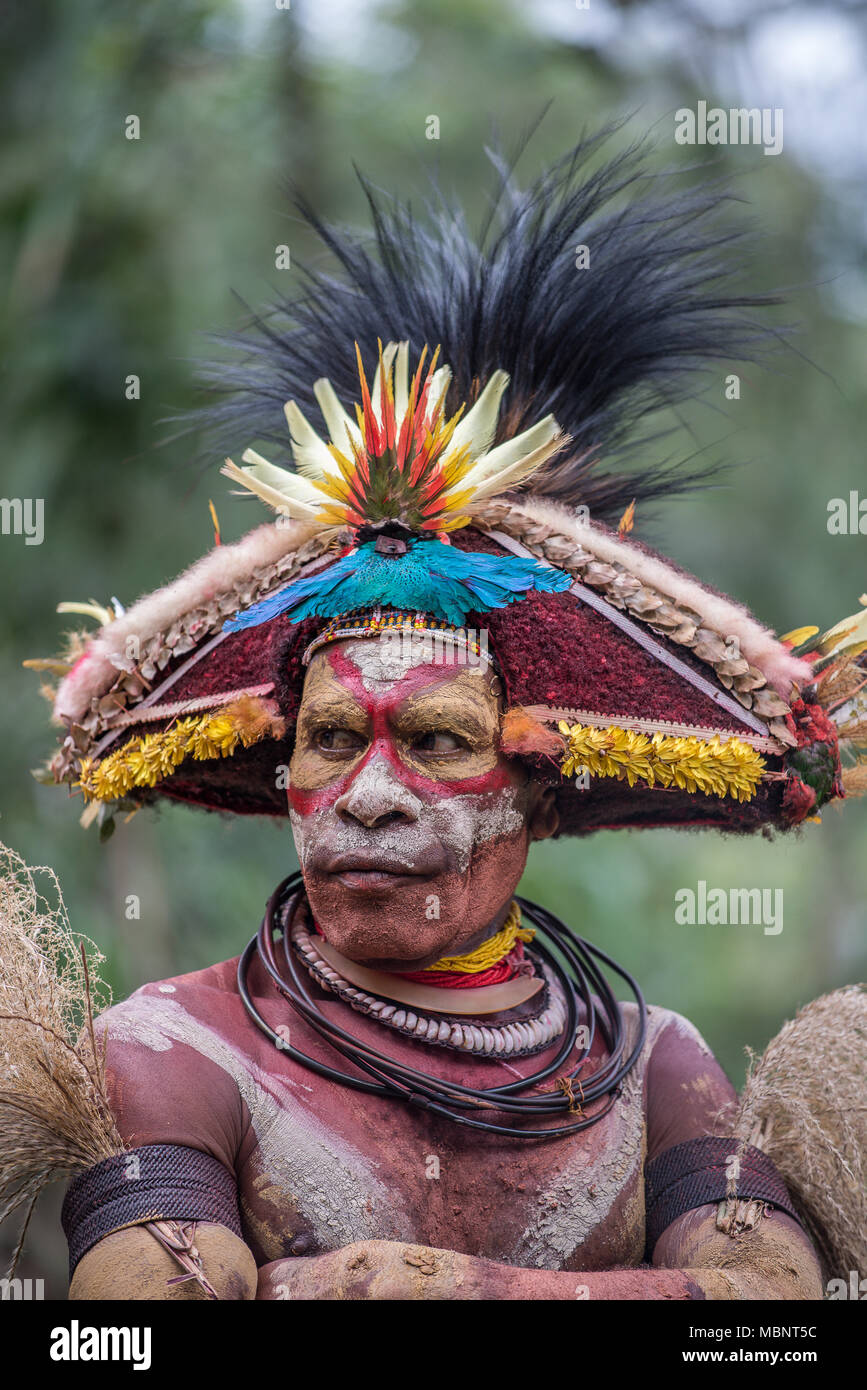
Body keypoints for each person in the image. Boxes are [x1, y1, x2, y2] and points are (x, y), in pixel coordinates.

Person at [37, 139, 864, 1300]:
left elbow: (770, 1317)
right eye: (331, 739)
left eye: (434, 742)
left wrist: (443, 1287)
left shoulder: (651, 1065)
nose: (370, 793)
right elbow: (126, 1324)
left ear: (538, 781)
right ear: (282, 767)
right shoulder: (176, 1047)